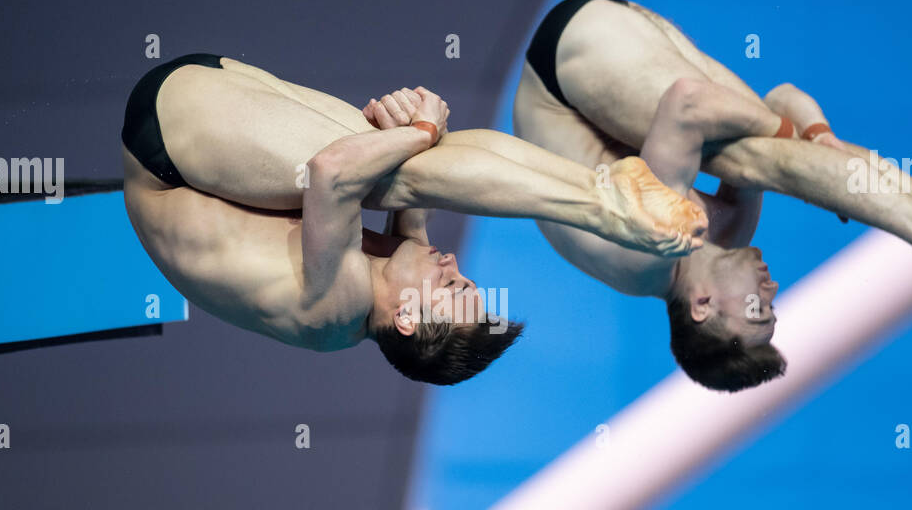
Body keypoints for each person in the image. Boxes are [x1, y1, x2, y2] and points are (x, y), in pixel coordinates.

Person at [513, 0, 912, 391]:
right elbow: (785, 96)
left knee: (760, 156)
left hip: (563, 69)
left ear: (702, 307)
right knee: (776, 157)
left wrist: (802, 151)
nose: (770, 291)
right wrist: (819, 139)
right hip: (627, 32)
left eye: (756, 309)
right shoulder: (730, 232)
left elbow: (688, 105)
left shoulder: (646, 252)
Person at [120, 53, 706, 385]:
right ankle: (603, 191)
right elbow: (411, 208)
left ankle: (604, 205)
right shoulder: (381, 288)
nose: (452, 263)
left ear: (406, 318)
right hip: (202, 111)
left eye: (449, 285)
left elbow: (329, 173)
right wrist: (412, 126)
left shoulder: (338, 307)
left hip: (167, 152)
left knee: (401, 169)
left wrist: (419, 130)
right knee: (415, 166)